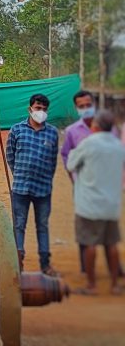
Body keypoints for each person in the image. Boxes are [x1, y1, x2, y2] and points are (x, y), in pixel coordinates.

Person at [66, 109, 125, 295]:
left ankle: (91, 285)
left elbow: (71, 164)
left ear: (96, 125)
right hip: (111, 203)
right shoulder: (118, 145)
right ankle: (115, 285)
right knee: (111, 244)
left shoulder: (88, 144)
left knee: (89, 243)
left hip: (89, 204)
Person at [5, 92, 59, 275]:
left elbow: (53, 161)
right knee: (19, 224)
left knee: (42, 225)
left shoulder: (52, 133)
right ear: (30, 109)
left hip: (43, 189)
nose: (41, 112)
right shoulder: (17, 130)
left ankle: (45, 264)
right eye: (38, 108)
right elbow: (10, 156)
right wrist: (19, 174)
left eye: (44, 109)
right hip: (21, 187)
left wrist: (45, 178)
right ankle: (18, 263)